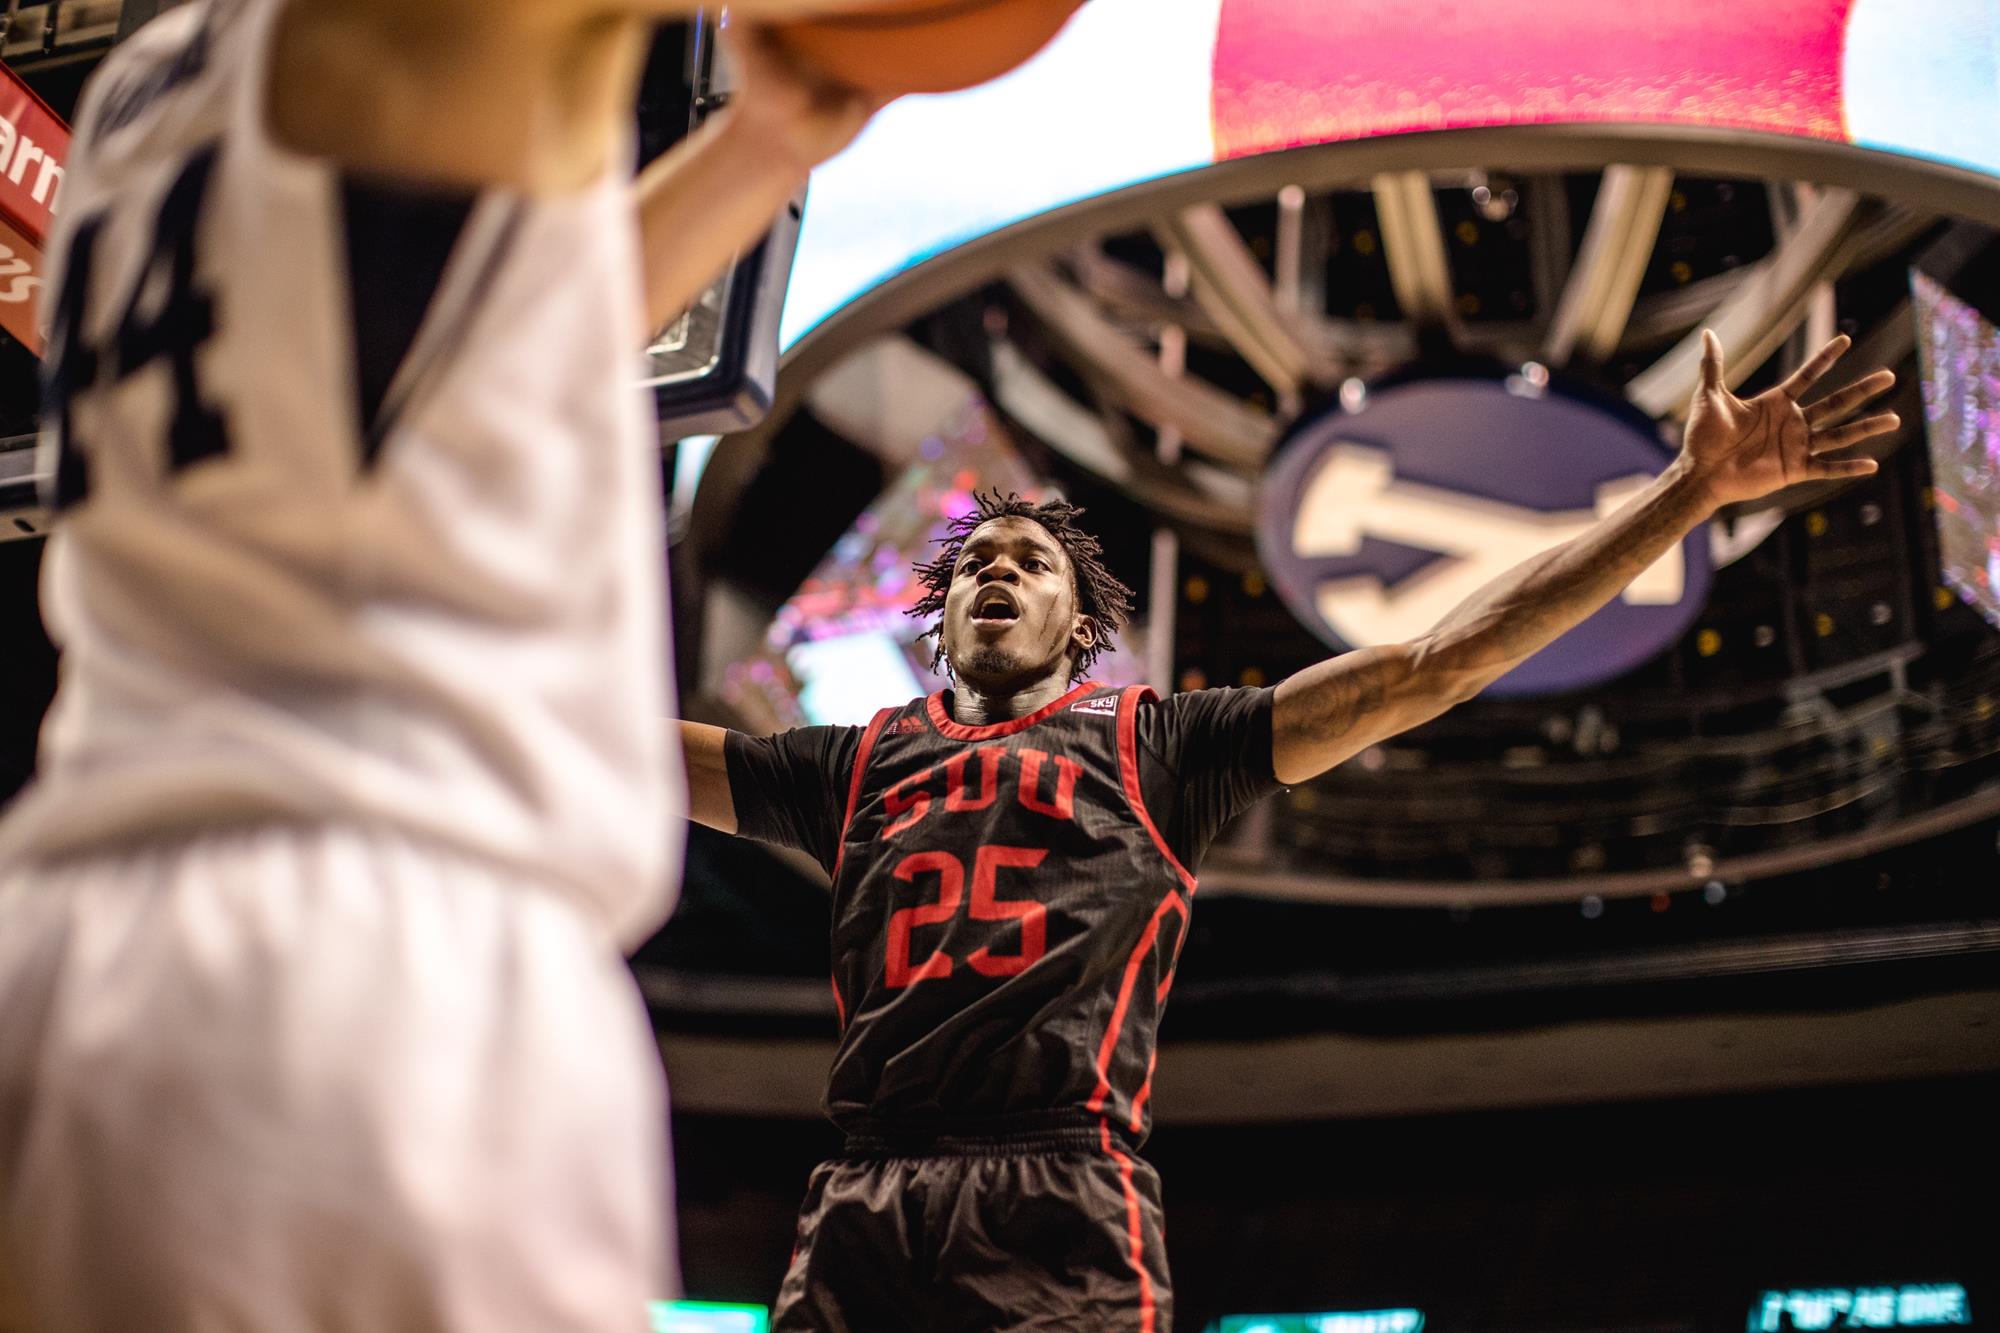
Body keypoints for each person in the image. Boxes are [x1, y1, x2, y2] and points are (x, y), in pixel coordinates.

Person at [683, 329, 1900, 1333]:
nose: (995, 571)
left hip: (1054, 1185)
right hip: (862, 1184)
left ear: (1076, 621)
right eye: (973, 565)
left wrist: (1686, 491)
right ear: (940, 618)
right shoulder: (853, 762)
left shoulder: (1161, 745)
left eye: (1031, 560)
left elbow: (1439, 659)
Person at [0, 0, 891, 1328]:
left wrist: (758, 148)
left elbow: (476, 350)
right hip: (367, 968)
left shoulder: (151, 81)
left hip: (76, 934)